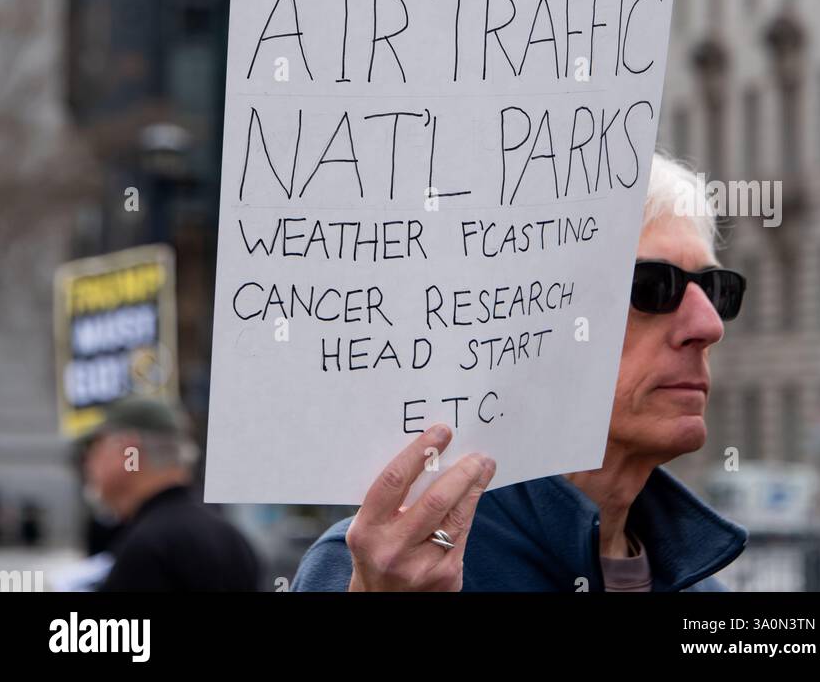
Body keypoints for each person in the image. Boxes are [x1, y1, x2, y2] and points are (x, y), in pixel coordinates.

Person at [291, 153, 749, 592]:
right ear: (528, 316)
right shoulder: (389, 571)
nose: (708, 326)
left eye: (715, 289)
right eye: (652, 286)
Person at [78, 396, 260, 591]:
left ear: (129, 451)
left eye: (95, 446)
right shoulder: (230, 536)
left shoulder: (148, 547)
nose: (87, 462)